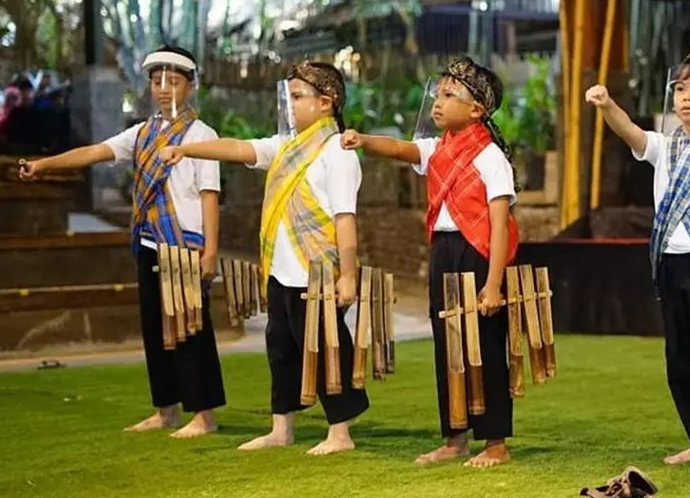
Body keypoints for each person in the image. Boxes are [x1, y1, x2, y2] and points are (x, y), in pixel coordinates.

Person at [158, 61, 368, 456]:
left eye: (298, 97)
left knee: (327, 349)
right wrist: (184, 149)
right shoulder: (286, 146)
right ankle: (281, 429)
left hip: (319, 271)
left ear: (327, 103)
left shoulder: (338, 152)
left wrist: (348, 276)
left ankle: (340, 432)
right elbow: (238, 148)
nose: (291, 105)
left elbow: (345, 219)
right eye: (289, 97)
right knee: (281, 349)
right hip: (282, 271)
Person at [19, 45, 226, 438]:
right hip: (149, 244)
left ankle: (204, 416)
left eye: (174, 81)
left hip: (185, 247)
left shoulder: (202, 136)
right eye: (156, 81)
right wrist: (43, 165)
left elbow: (209, 197)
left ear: (191, 87)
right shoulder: (142, 133)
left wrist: (211, 251)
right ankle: (165, 410)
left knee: (192, 330)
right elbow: (95, 152)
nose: (163, 89)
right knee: (155, 329)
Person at [585, 45, 690, 473]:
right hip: (671, 266)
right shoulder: (665, 148)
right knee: (681, 361)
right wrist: (607, 105)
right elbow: (629, 132)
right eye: (680, 88)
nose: (686, 97)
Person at [340, 56, 519, 469]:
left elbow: (499, 225)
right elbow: (402, 149)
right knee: (447, 343)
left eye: (449, 95)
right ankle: (454, 437)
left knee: (486, 345)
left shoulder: (490, 156)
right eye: (436, 94)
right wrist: (364, 139)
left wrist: (493, 285)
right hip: (444, 251)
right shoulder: (438, 150)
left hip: (478, 253)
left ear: (477, 110)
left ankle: (495, 442)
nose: (437, 103)